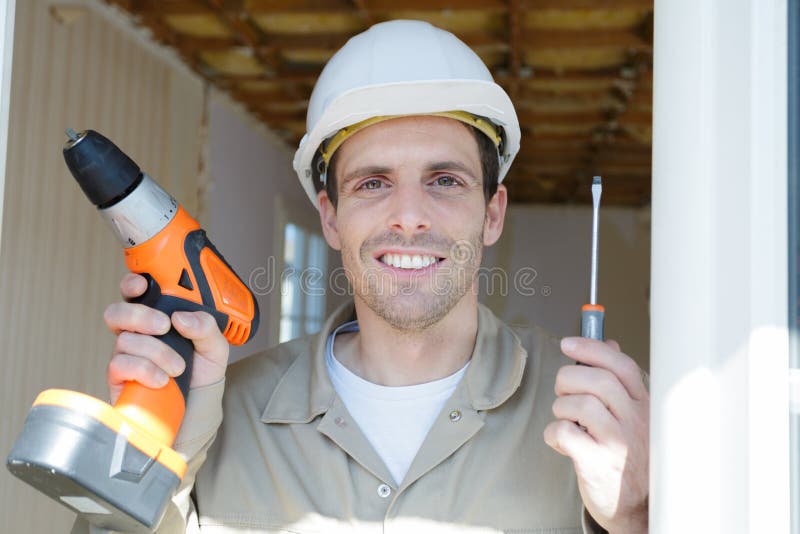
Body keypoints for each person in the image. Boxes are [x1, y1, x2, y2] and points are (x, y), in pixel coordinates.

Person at [73, 20, 649, 534]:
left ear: (492, 213)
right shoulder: (219, 415)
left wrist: (636, 519)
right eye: (373, 182)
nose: (408, 215)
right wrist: (157, 453)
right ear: (330, 217)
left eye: (445, 180)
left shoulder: (596, 417)